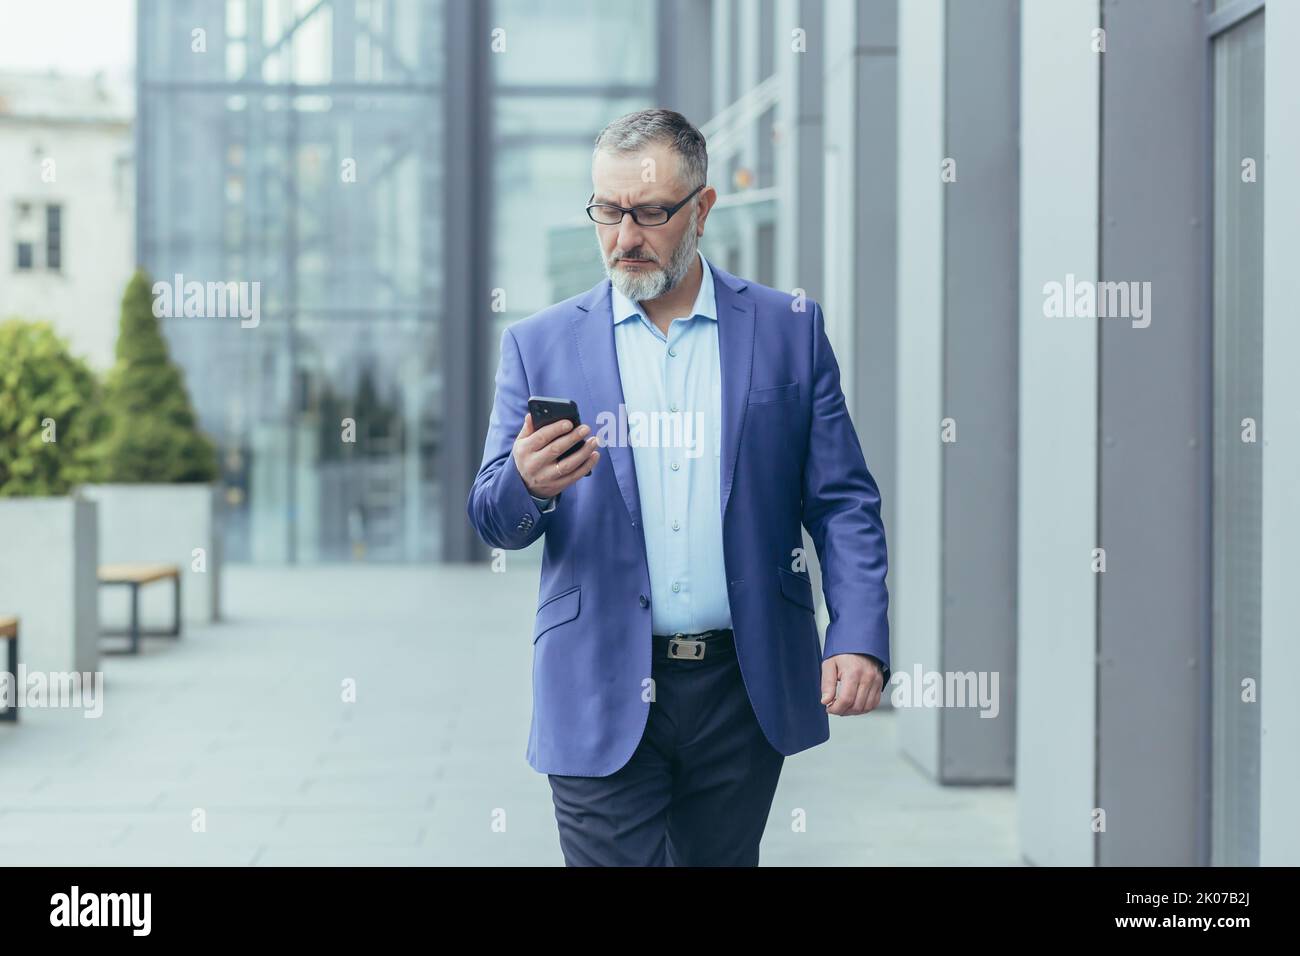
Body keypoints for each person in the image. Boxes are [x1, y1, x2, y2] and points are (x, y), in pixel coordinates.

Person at [466, 108, 890, 866]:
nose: (624, 237)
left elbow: (841, 501)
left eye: (650, 212)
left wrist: (855, 632)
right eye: (606, 211)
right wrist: (527, 485)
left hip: (741, 686)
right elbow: (495, 518)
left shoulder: (787, 328)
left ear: (702, 208)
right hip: (596, 678)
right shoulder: (540, 344)